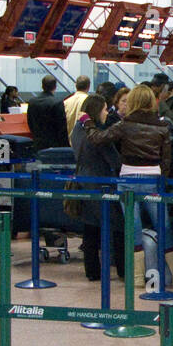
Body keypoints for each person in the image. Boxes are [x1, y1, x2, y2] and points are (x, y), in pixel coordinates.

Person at [88, 85, 173, 282]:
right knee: (163, 226)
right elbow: (166, 159)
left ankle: (138, 277)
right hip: (153, 178)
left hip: (127, 179)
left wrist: (87, 123)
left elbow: (98, 139)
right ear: (151, 102)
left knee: (133, 228)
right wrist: (162, 181)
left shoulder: (124, 124)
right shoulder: (161, 126)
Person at [70, 94, 123, 281]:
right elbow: (115, 160)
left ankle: (92, 271)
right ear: (96, 110)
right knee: (117, 226)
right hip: (101, 183)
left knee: (90, 229)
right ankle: (123, 269)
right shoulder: (97, 134)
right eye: (105, 109)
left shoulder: (77, 129)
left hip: (83, 180)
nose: (107, 113)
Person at [27, 76, 70, 152]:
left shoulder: (32, 102)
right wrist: (65, 146)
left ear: (42, 86)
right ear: (55, 87)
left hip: (38, 143)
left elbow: (30, 122)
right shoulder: (57, 102)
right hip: (54, 146)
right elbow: (62, 127)